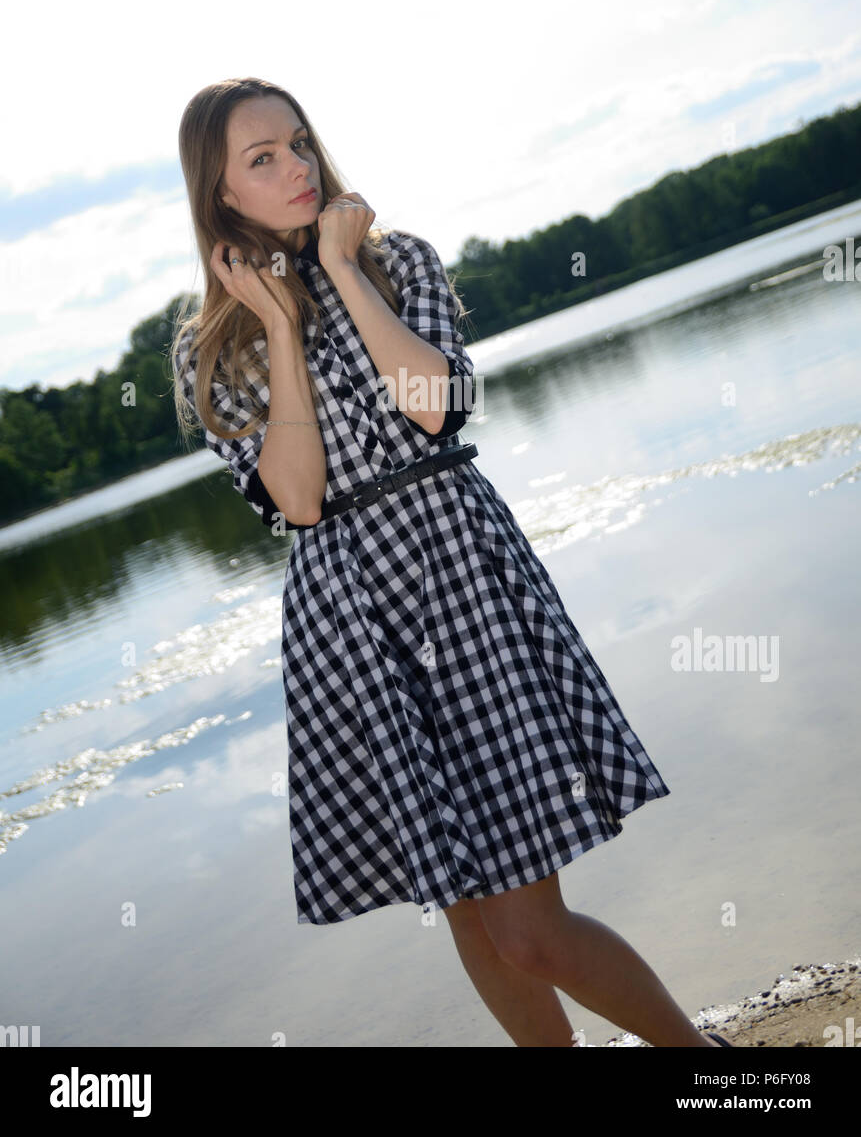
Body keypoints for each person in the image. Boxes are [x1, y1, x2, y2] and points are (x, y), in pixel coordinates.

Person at [171, 76, 732, 1049]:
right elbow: (298, 500)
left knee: (528, 925)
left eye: (299, 143)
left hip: (458, 574)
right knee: (472, 908)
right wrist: (277, 325)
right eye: (263, 159)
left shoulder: (398, 264)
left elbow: (433, 406)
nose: (297, 167)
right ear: (219, 196)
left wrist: (342, 272)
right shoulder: (212, 349)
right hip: (352, 613)